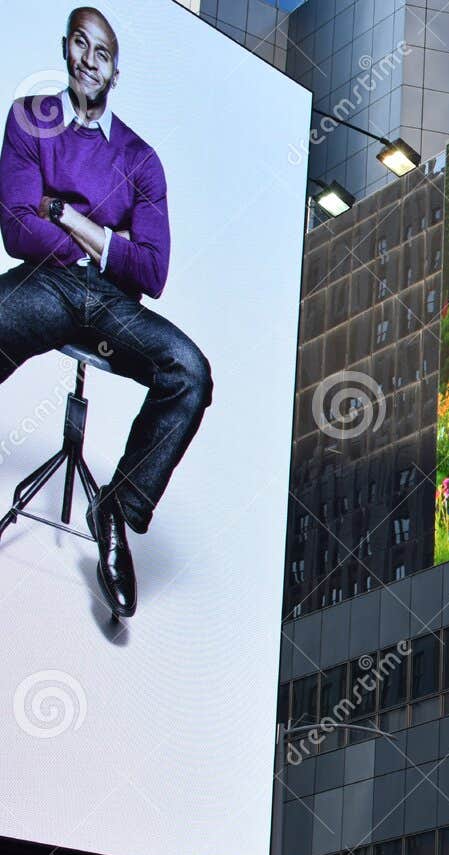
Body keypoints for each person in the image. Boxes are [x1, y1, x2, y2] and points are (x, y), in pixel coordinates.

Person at [0, 7, 213, 617]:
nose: (90, 61)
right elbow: (15, 227)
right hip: (51, 284)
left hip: (112, 305)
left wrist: (63, 214)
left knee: (189, 372)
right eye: (81, 45)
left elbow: (152, 273)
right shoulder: (30, 122)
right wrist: (102, 244)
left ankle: (115, 508)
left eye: (103, 53)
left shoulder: (141, 160)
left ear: (115, 71)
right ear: (65, 48)